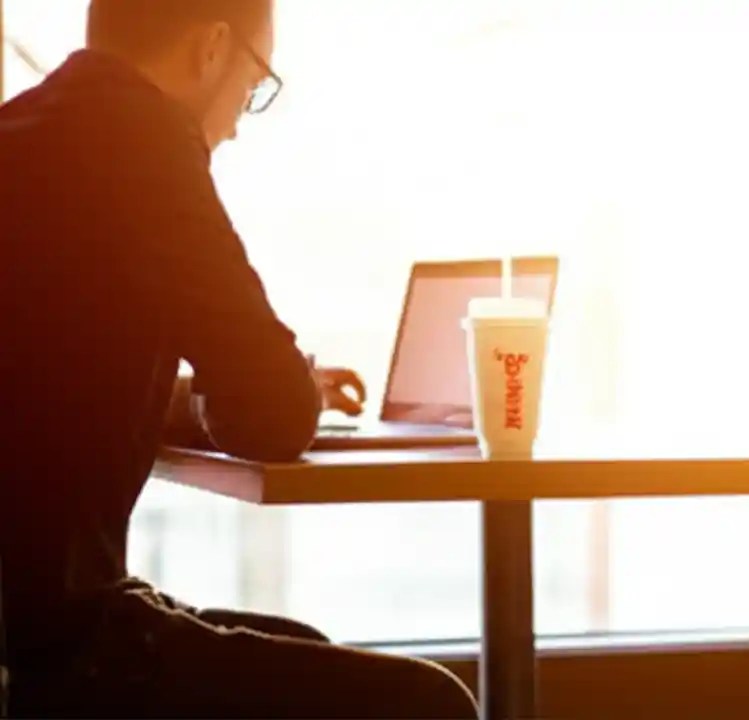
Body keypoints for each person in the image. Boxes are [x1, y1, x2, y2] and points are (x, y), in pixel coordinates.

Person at [0, 0, 478, 716]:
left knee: (301, 645)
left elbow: (53, 378)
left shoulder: (23, 129)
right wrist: (266, 387)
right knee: (428, 703)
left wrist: (207, 391)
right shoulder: (142, 138)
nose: (233, 123)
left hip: (28, 626)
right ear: (213, 49)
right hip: (60, 645)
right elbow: (275, 416)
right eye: (256, 87)